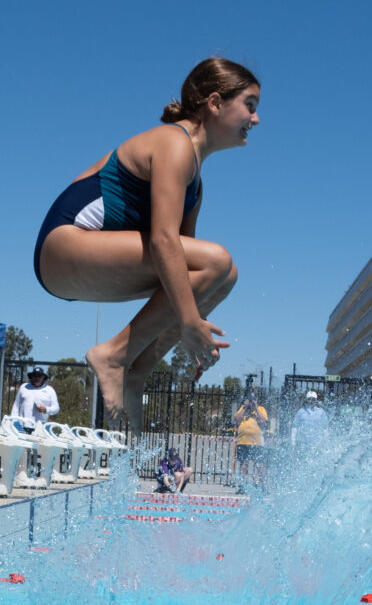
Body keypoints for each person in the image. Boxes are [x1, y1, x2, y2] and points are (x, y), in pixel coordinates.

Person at [34, 58, 260, 426]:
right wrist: (190, 324)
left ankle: (136, 372)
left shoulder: (196, 185)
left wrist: (194, 340)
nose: (256, 119)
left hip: (85, 266)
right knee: (217, 261)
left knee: (225, 274)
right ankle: (112, 355)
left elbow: (183, 277)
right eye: (250, 105)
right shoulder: (174, 143)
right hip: (62, 247)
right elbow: (164, 242)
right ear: (215, 103)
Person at [233, 387, 268, 482]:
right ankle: (243, 485)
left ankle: (263, 485)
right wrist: (245, 407)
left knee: (260, 464)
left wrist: (256, 408)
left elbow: (263, 421)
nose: (252, 402)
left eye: (254, 400)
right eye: (250, 400)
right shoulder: (242, 409)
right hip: (243, 442)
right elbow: (237, 419)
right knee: (243, 464)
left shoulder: (261, 409)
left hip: (257, 443)